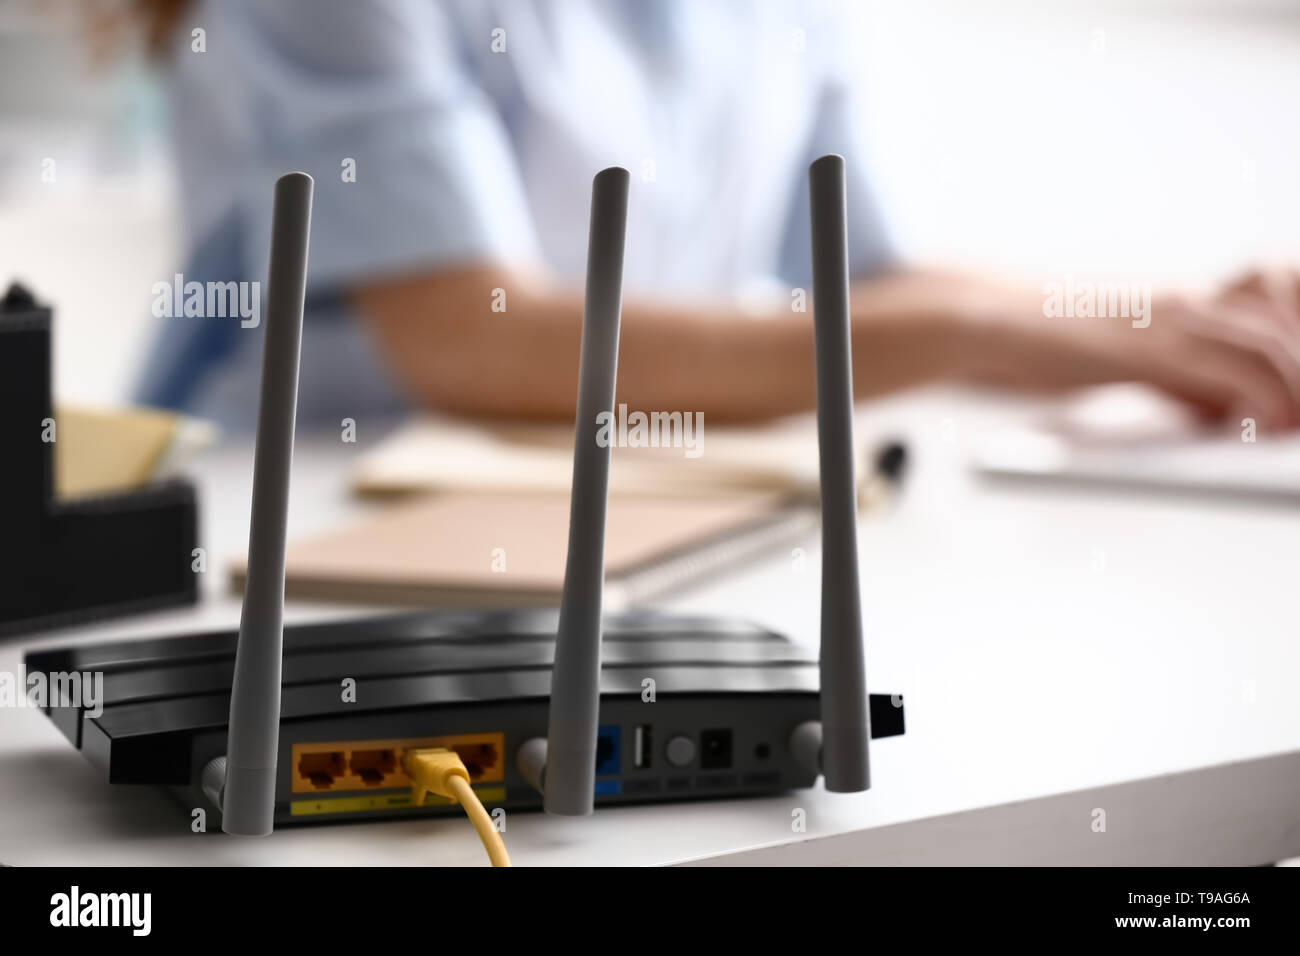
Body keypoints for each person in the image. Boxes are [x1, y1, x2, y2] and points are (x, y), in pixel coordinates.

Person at [127, 0, 1300, 431]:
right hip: (290, 545)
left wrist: (1173, 322)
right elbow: (473, 331)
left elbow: (869, 278)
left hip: (644, 518)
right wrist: (971, 338)